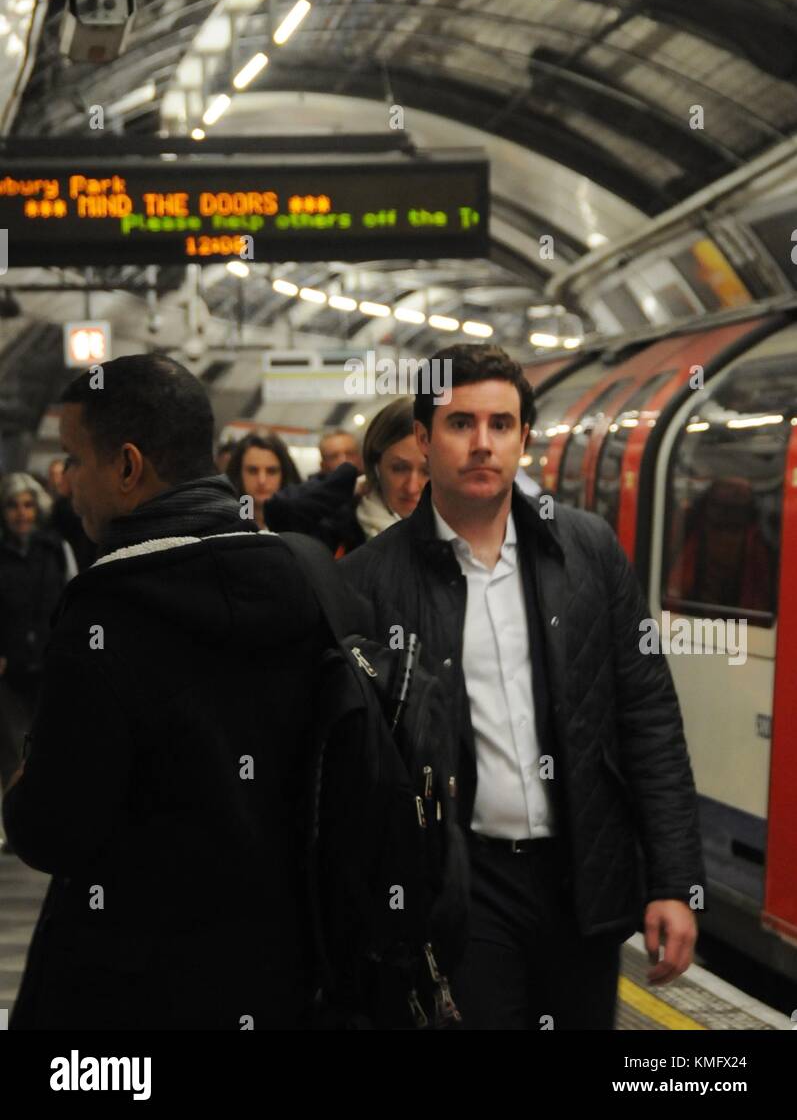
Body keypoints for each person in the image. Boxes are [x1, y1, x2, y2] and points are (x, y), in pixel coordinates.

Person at [341, 343, 704, 1031]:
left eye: (500, 425)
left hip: (580, 878)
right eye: (460, 424)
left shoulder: (587, 552)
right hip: (463, 887)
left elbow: (647, 716)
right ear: (423, 439)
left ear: (523, 440)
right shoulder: (369, 582)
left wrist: (672, 883)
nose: (483, 444)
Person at [2, 354, 329, 1030]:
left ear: (126, 467)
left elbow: (57, 830)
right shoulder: (306, 578)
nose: (68, 489)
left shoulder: (104, 611)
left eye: (75, 463)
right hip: (282, 971)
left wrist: (21, 790)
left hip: (130, 984)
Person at [0, 473, 77, 807]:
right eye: (14, 506)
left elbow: (74, 599)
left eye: (28, 505)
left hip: (49, 662)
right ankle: (18, 822)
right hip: (9, 668)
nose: (22, 513)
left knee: (50, 745)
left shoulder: (55, 549)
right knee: (15, 748)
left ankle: (49, 816)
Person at [319, 398, 428, 556]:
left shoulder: (466, 536)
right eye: (399, 468)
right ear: (375, 466)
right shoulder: (336, 534)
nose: (411, 487)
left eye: (427, 471)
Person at [225, 430, 301, 531]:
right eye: (253, 471)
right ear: (238, 474)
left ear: (284, 474)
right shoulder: (222, 524)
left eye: (271, 471)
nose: (262, 480)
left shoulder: (302, 527)